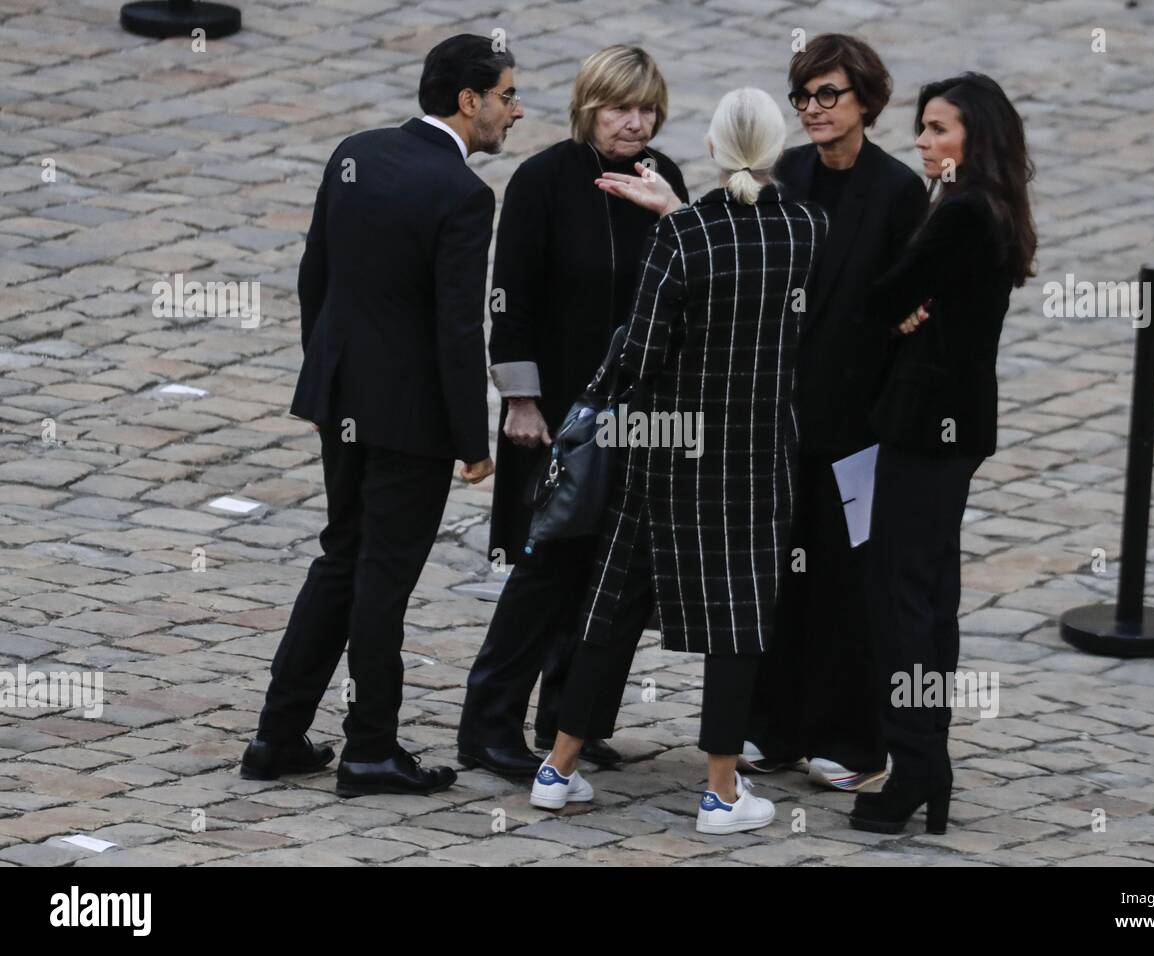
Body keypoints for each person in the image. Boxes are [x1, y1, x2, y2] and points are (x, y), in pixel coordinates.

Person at [527, 88, 830, 835]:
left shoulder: (685, 234)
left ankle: (557, 769)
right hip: (754, 460)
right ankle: (721, 793)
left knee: (613, 607)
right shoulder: (809, 229)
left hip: (664, 452)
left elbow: (642, 347)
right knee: (737, 621)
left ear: (715, 149)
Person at [239, 35, 522, 798]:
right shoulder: (464, 194)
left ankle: (277, 733)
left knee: (341, 556)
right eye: (505, 96)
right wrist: (472, 438)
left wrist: (329, 374)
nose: (514, 110)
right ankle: (369, 747)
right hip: (412, 421)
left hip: (343, 400)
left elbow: (314, 276)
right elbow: (458, 327)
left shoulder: (355, 152)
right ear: (468, 102)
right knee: (381, 582)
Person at [457, 46, 688, 780]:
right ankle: (489, 726)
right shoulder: (544, 181)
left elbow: (690, 291)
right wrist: (520, 400)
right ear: (590, 106)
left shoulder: (664, 179)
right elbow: (509, 299)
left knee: (612, 577)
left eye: (648, 109)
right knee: (543, 575)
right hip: (555, 418)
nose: (636, 122)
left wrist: (676, 218)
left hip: (637, 417)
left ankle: (572, 723)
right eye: (622, 107)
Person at [741, 33, 929, 792]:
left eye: (829, 96)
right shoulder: (786, 174)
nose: (813, 110)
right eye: (804, 97)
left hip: (856, 424)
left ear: (865, 103)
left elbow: (908, 303)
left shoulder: (896, 191)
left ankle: (852, 741)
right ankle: (772, 727)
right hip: (781, 416)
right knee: (777, 578)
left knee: (848, 584)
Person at [850, 73, 1037, 834]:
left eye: (937, 129)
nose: (922, 142)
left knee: (906, 603)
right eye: (921, 129)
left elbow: (880, 299)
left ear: (975, 137)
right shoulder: (990, 209)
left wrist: (898, 316)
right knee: (930, 597)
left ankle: (916, 764)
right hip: (950, 430)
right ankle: (927, 760)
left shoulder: (959, 214)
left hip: (926, 429)